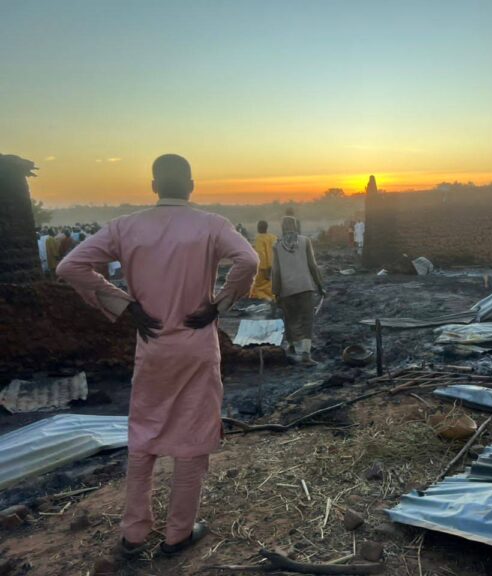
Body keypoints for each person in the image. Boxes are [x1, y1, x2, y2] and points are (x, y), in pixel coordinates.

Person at [57, 154, 259, 557]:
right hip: (196, 344)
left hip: (151, 346)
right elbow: (249, 260)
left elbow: (70, 266)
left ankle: (133, 533)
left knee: (143, 435)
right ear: (191, 185)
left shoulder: (125, 227)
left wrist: (124, 305)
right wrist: (220, 304)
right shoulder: (211, 225)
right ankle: (178, 534)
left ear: (153, 186)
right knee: (193, 434)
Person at [272, 216, 324, 366]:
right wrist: (320, 284)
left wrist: (276, 291)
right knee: (307, 320)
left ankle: (294, 347)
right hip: (306, 287)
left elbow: (276, 272)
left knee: (291, 320)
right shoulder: (304, 241)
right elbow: (313, 265)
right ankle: (306, 354)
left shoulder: (277, 246)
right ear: (296, 226)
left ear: (282, 228)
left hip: (286, 289)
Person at [249, 220, 277, 301]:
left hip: (264, 269)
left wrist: (265, 269)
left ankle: (265, 298)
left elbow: (261, 255)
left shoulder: (259, 238)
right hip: (274, 267)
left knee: (258, 287)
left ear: (258, 228)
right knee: (270, 285)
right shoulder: (273, 237)